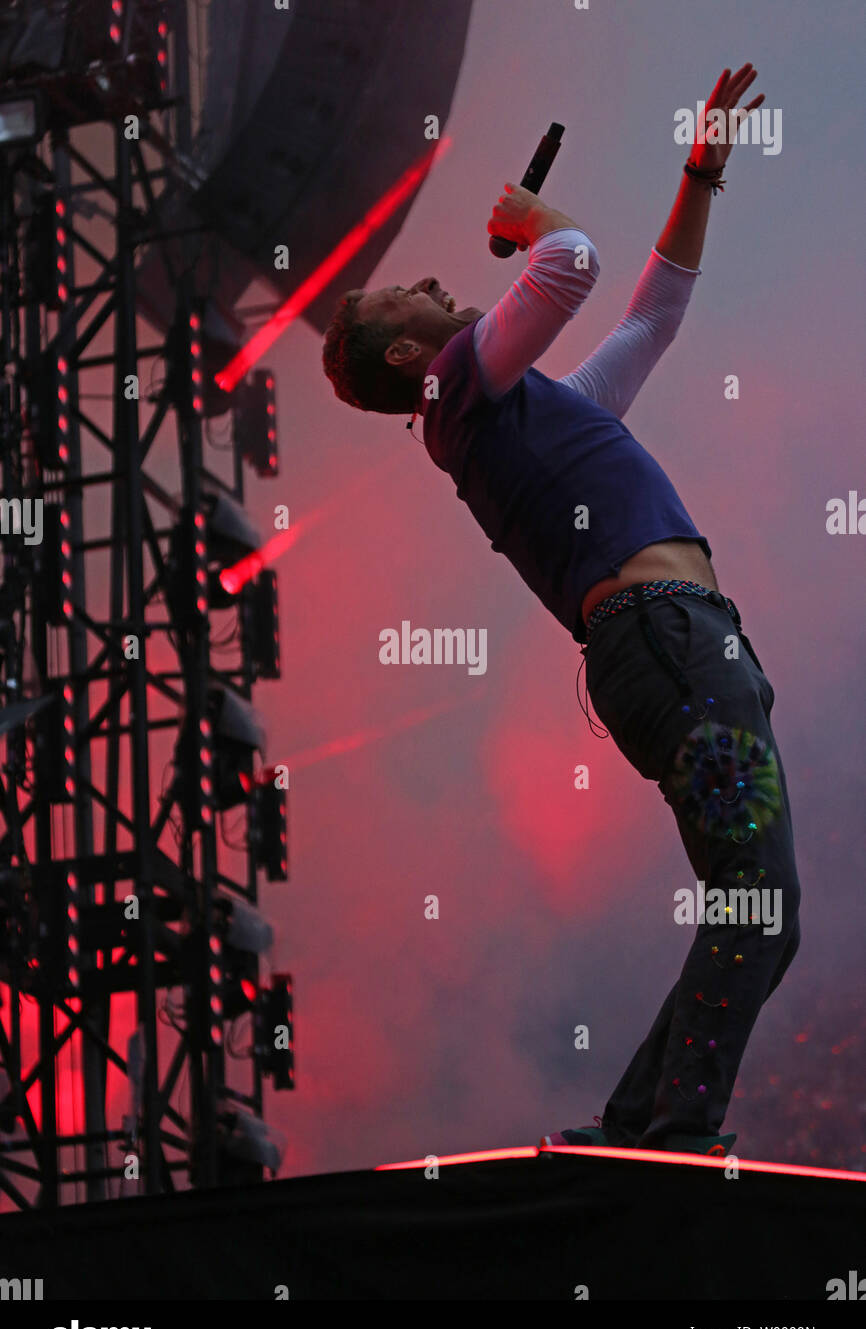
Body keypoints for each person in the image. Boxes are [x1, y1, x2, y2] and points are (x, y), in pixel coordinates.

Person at [322, 66, 800, 1157]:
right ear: (409, 357)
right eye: (410, 297)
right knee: (757, 896)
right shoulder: (451, 401)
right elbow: (571, 262)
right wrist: (530, 220)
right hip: (674, 642)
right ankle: (667, 1136)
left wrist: (698, 172)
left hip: (682, 646)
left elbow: (653, 311)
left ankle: (636, 1130)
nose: (437, 276)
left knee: (756, 903)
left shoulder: (534, 415)